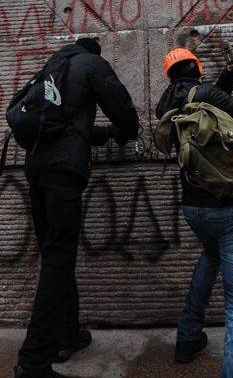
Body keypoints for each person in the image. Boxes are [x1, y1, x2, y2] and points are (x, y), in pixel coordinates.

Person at [13, 37, 140, 378]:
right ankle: (34, 361)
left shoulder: (49, 72)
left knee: (55, 254)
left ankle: (68, 333)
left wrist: (106, 134)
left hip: (37, 170)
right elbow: (120, 104)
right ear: (93, 51)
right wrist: (128, 130)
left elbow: (70, 126)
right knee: (58, 257)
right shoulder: (92, 64)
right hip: (64, 173)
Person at [155, 46, 233, 377]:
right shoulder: (205, 92)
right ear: (198, 69)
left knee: (212, 255)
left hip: (194, 208)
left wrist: (227, 74)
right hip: (230, 208)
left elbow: (214, 108)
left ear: (170, 74)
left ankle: (188, 336)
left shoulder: (167, 103)